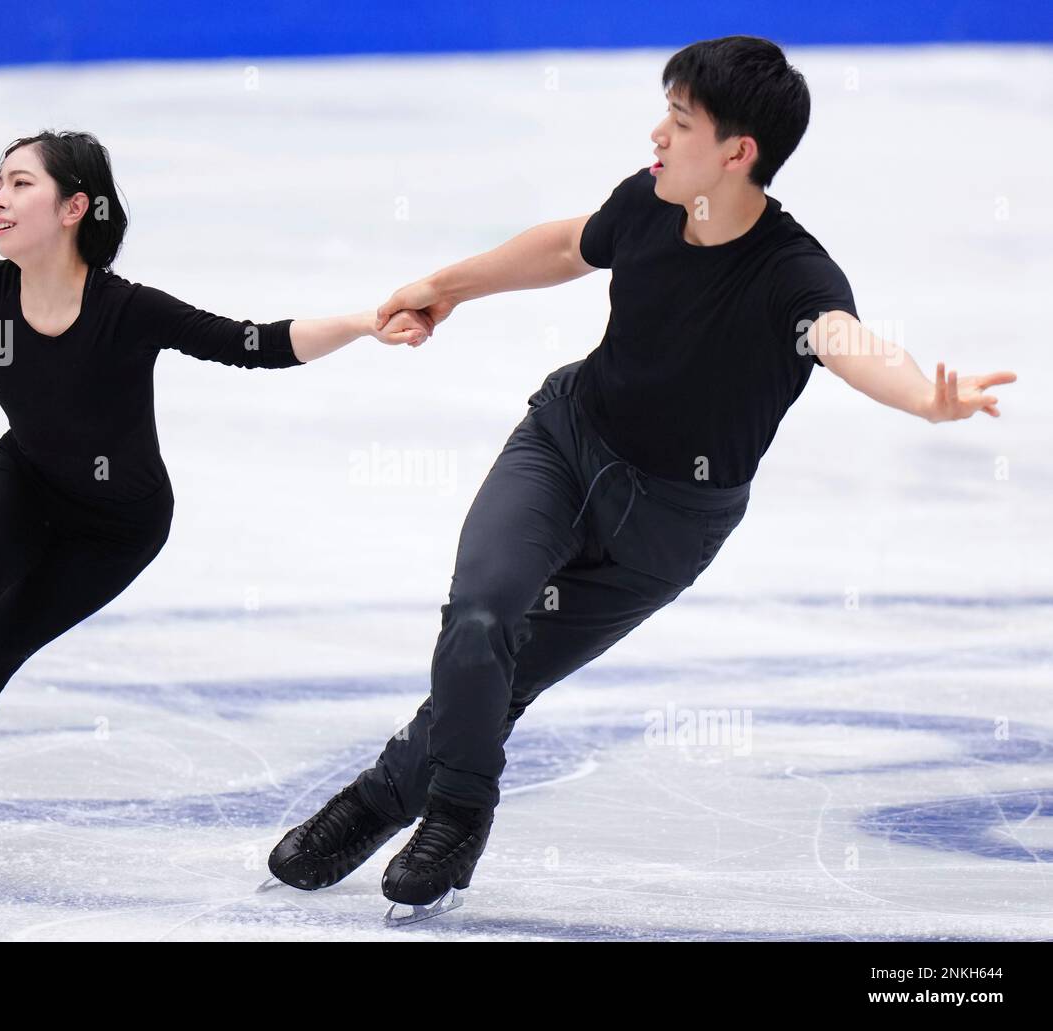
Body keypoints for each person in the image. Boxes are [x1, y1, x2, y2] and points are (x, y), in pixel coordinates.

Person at [265, 35, 1017, 920]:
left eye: (681, 120)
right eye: (666, 111)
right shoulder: (648, 202)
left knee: (504, 676)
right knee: (477, 620)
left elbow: (848, 343)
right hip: (564, 445)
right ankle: (461, 813)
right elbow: (566, 245)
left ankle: (378, 799)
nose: (657, 133)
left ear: (739, 153)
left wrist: (926, 399)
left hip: (665, 528)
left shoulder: (794, 276)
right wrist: (448, 284)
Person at [0, 129, 433, 875]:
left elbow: (252, 341)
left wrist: (365, 323)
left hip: (116, 525)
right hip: (27, 476)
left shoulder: (127, 310)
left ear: (74, 208)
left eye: (21, 184)